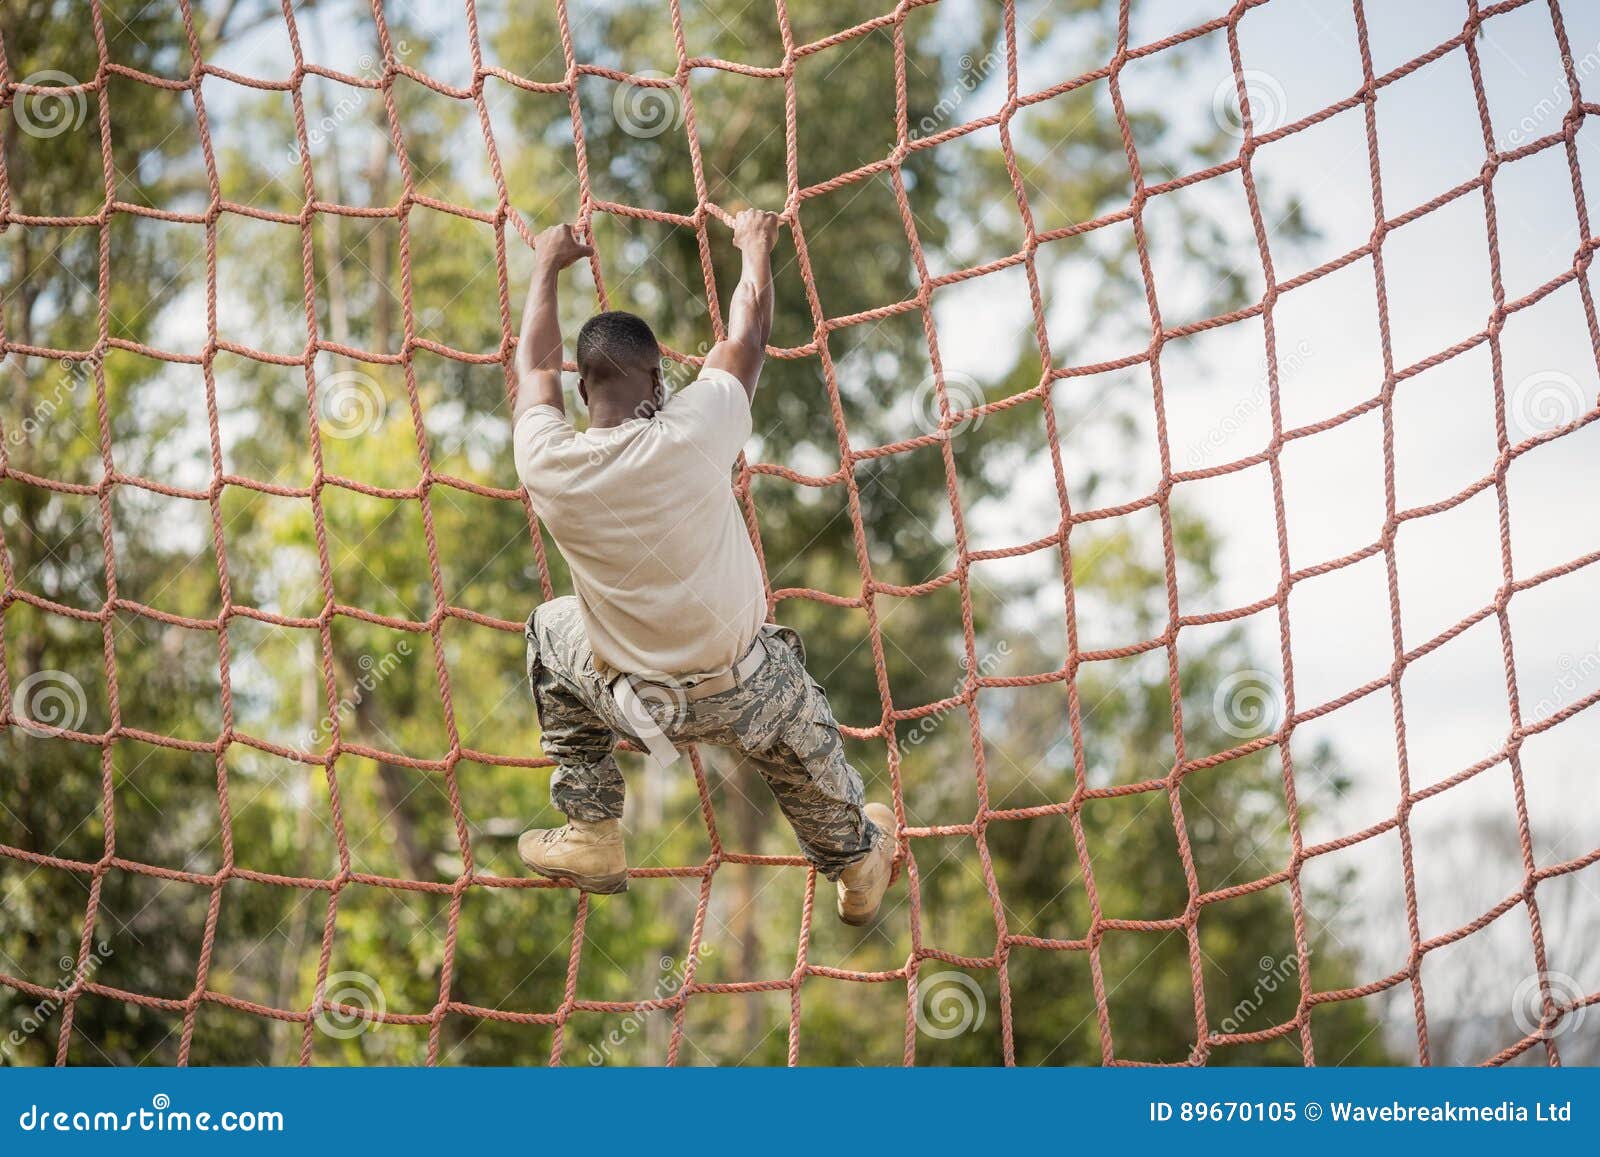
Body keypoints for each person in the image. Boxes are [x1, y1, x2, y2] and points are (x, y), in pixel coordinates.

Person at [509, 210, 897, 925]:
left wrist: (543, 262)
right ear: (656, 378)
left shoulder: (546, 462)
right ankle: (855, 860)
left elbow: (534, 364)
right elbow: (745, 334)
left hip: (641, 705)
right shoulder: (694, 429)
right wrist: (754, 245)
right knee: (791, 709)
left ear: (582, 383)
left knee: (546, 627)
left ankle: (593, 828)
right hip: (745, 690)